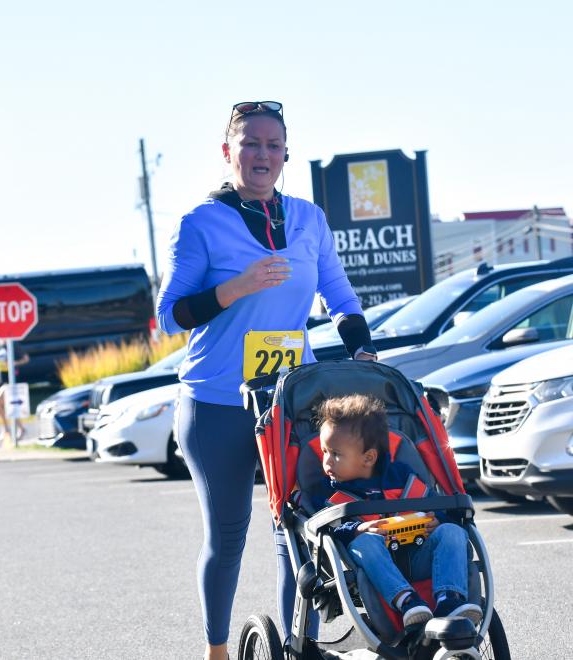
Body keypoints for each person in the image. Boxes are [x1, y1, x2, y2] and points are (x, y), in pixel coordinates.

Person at [156, 101, 378, 660]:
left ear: (285, 155)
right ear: (228, 151)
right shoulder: (201, 223)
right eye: (250, 143)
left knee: (299, 533)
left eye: (273, 145)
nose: (262, 154)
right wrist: (239, 286)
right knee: (229, 535)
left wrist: (363, 350)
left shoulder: (308, 219)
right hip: (217, 404)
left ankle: (297, 645)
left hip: (290, 401)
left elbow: (341, 299)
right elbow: (169, 315)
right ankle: (216, 649)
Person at [313, 394, 482, 627]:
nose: (327, 462)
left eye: (335, 454)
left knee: (452, 531)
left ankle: (449, 600)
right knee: (365, 543)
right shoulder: (330, 494)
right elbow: (324, 534)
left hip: (419, 554)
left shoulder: (402, 477)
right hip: (376, 567)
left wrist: (437, 520)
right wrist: (357, 529)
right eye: (324, 452)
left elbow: (435, 505)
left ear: (369, 457)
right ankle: (407, 601)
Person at [0, 339, 30, 444]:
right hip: (1, 379)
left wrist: (13, 363)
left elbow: (26, 359)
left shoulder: (13, 343)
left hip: (11, 380)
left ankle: (6, 429)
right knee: (8, 407)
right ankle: (20, 428)